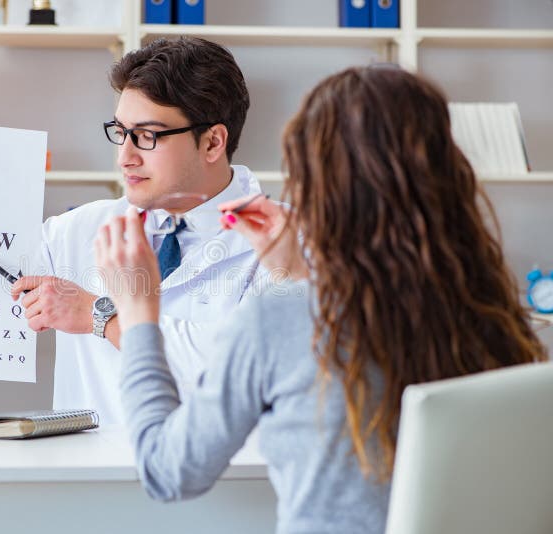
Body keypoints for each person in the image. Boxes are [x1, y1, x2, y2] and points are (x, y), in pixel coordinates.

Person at [94, 65, 548, 533]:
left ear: (322, 187)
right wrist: (294, 277)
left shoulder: (277, 321)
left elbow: (167, 473)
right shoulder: (494, 314)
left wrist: (136, 313)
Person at [0, 37, 270, 424]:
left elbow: (240, 372)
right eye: (120, 131)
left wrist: (101, 316)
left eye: (147, 136)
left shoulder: (289, 243)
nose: (124, 156)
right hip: (88, 480)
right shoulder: (80, 230)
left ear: (213, 141)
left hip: (221, 482)